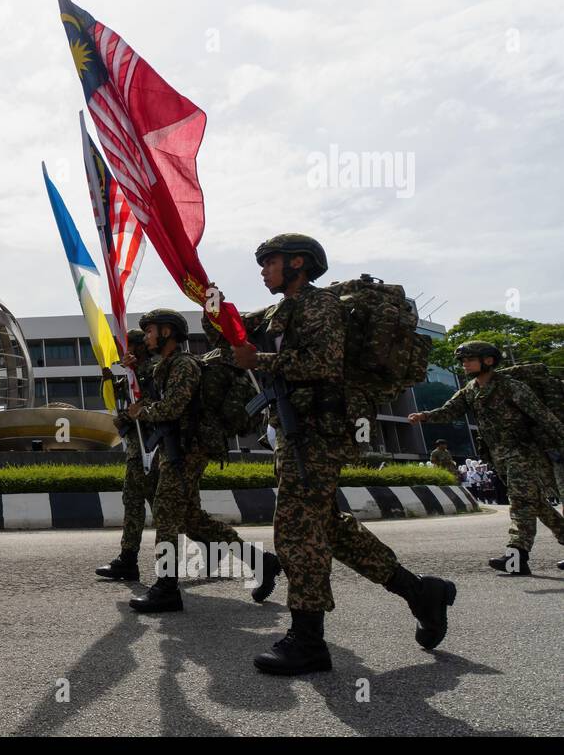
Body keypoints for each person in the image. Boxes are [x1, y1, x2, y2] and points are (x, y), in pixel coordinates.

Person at [232, 234, 456, 675]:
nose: (262, 271)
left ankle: (309, 640)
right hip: (296, 431)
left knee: (296, 529)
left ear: (298, 263)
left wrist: (259, 361)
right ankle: (420, 593)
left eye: (269, 263)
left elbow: (322, 365)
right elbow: (233, 331)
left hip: (321, 431)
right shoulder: (282, 310)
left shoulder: (321, 306)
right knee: (326, 527)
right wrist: (213, 310)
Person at [120, 310, 279, 612]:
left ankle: (166, 587)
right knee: (191, 520)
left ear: (167, 332)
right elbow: (152, 391)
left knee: (166, 513)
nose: (148, 336)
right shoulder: (165, 366)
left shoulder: (183, 365)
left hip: (190, 449)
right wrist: (134, 370)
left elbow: (173, 407)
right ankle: (262, 562)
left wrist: (143, 413)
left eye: (151, 330)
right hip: (179, 448)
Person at [410, 341, 564, 575]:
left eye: (469, 359)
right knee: (538, 506)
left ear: (488, 360)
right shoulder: (471, 390)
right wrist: (424, 416)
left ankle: (516, 557)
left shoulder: (511, 387)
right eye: (462, 361)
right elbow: (450, 410)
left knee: (521, 502)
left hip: (525, 452)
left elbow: (543, 416)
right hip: (499, 455)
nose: (465, 364)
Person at [97, 330, 157, 581]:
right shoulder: (132, 375)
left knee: (176, 513)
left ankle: (216, 547)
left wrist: (136, 373)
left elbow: (151, 402)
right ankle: (128, 560)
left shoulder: (154, 370)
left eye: (126, 346)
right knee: (132, 502)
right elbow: (116, 399)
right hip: (136, 451)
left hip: (154, 451)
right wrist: (107, 378)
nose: (122, 352)